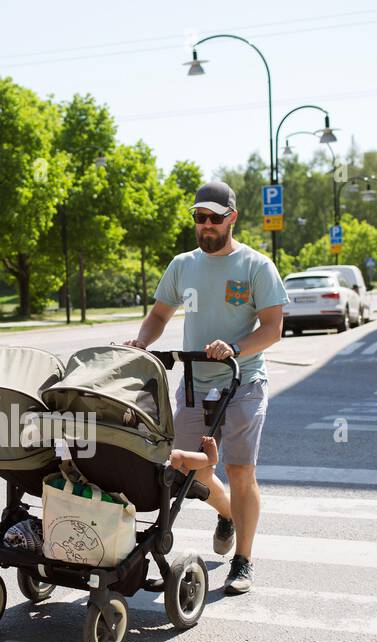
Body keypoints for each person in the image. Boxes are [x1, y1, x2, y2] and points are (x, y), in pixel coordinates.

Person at [124, 180, 287, 595]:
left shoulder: (256, 267)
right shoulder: (183, 265)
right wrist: (143, 341)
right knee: (185, 467)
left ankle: (243, 560)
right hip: (196, 382)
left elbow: (272, 329)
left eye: (215, 218)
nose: (207, 226)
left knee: (239, 470)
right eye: (200, 218)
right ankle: (229, 515)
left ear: (232, 217)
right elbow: (159, 314)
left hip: (243, 381)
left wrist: (234, 347)